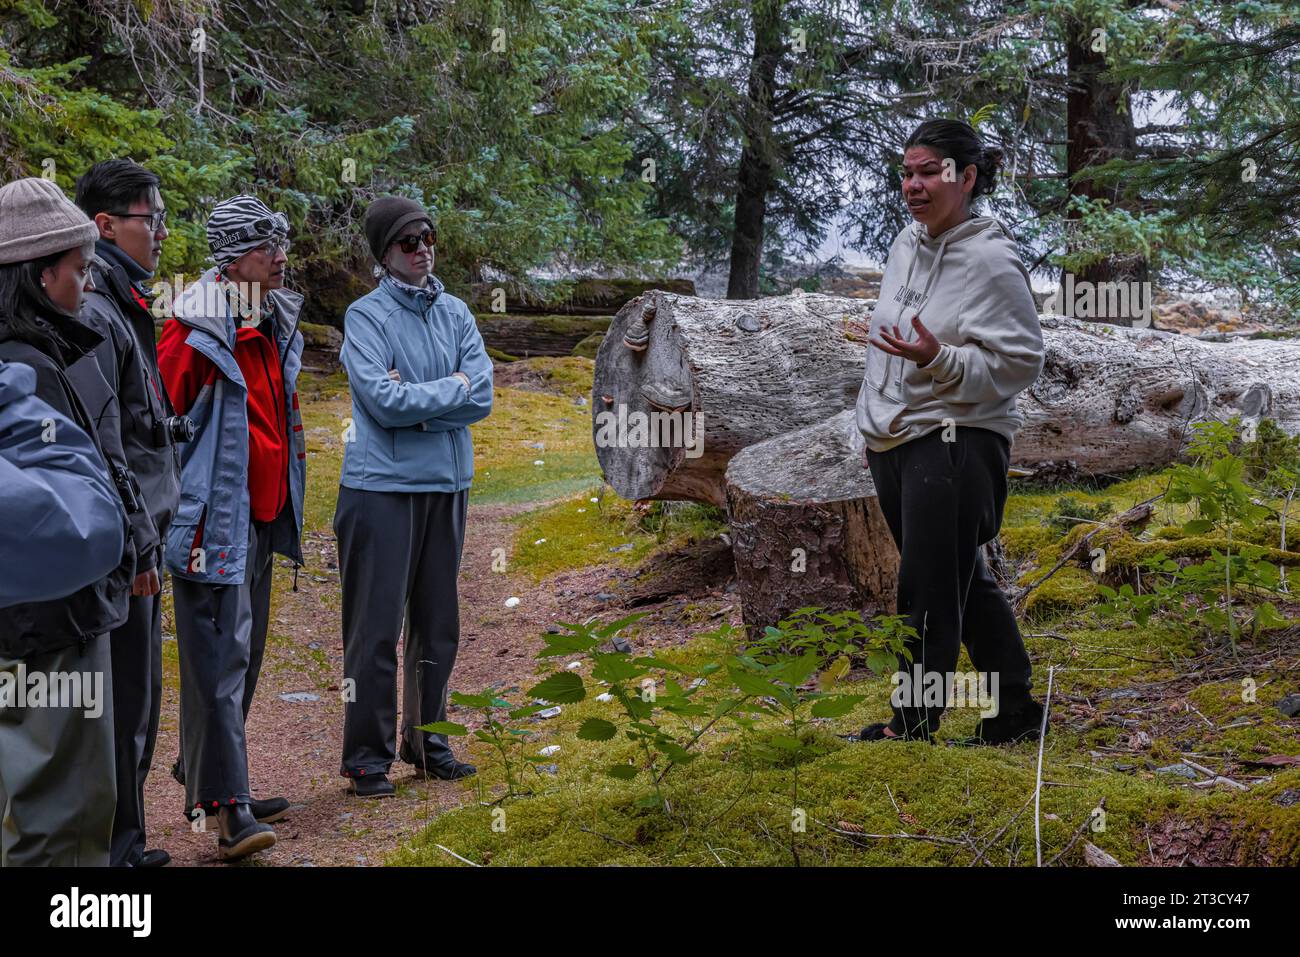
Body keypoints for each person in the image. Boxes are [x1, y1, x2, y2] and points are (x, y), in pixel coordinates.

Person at [853, 119, 1046, 745]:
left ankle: (910, 728)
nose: (913, 184)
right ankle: (1014, 710)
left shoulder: (990, 259)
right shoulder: (907, 244)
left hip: (957, 441)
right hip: (896, 438)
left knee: (926, 594)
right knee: (959, 578)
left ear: (965, 177)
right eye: (906, 172)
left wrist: (939, 360)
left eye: (928, 172)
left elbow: (1020, 362)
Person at [156, 194, 305, 860]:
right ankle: (228, 809)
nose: (279, 256)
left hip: (263, 515)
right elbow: (159, 420)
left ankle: (213, 771)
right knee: (220, 661)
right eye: (264, 245)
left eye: (280, 243)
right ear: (229, 256)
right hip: (213, 519)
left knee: (242, 657)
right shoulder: (193, 328)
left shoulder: (270, 316)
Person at [335, 195, 492, 797]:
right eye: (407, 241)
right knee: (374, 629)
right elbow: (382, 402)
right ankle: (367, 758)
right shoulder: (365, 317)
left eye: (428, 236)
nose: (422, 248)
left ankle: (428, 741)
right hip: (381, 490)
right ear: (384, 254)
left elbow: (481, 396)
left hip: (447, 486)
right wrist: (449, 393)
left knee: (438, 622)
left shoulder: (456, 312)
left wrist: (430, 399)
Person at [0, 176, 135, 866]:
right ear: (40, 272)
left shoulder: (41, 351)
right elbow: (69, 517)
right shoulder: (24, 364)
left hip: (46, 617)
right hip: (49, 623)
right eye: (79, 270)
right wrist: (115, 535)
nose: (87, 285)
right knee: (64, 814)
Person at [73, 158, 184, 869]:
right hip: (121, 549)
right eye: (152, 220)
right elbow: (106, 445)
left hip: (143, 537)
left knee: (140, 698)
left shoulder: (127, 302)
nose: (162, 235)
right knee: (118, 703)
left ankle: (127, 842)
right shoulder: (95, 309)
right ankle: (111, 855)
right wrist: (140, 546)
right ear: (105, 226)